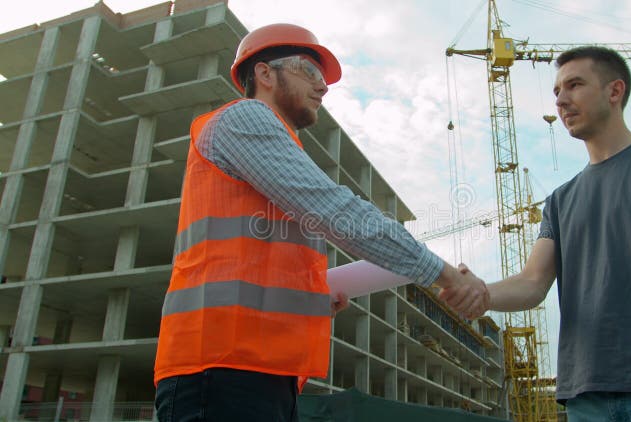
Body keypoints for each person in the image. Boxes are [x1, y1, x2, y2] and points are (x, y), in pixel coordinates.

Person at [153, 23, 488, 422]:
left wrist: (314, 296)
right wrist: (446, 275)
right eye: (309, 71)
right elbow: (338, 212)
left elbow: (254, 266)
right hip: (220, 370)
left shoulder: (271, 147)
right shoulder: (245, 120)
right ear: (264, 73)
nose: (323, 87)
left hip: (259, 372)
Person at [446, 46, 631, 421]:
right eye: (557, 92)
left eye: (574, 85)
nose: (561, 100)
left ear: (615, 91)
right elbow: (532, 282)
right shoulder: (560, 200)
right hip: (584, 400)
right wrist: (479, 293)